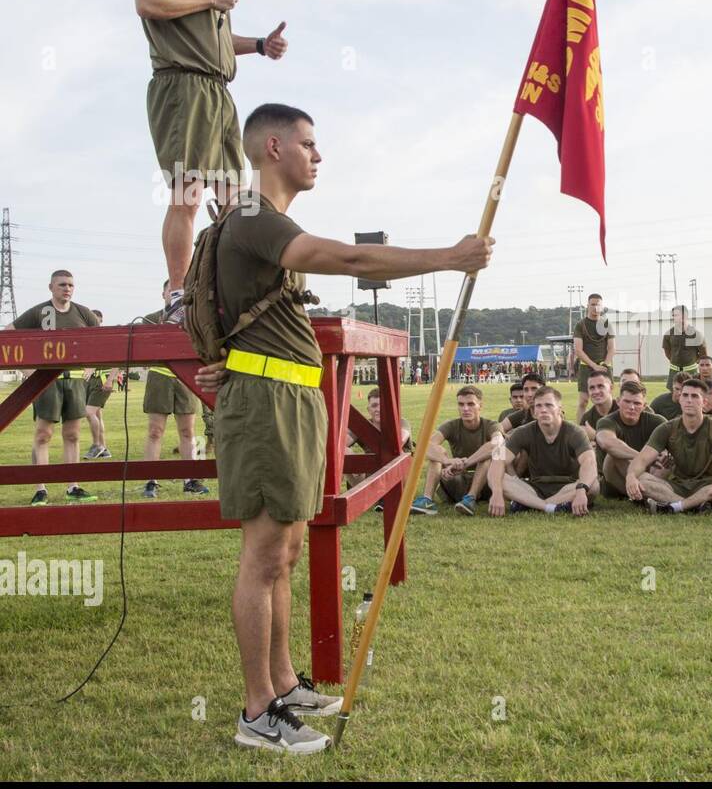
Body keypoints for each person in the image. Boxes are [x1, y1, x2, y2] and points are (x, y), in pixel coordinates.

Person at [202, 103, 492, 753]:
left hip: (291, 397)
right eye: (309, 143)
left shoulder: (267, 222)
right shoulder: (254, 217)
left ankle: (282, 686)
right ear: (273, 147)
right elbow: (353, 261)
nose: (319, 154)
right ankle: (257, 713)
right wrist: (449, 256)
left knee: (288, 551)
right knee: (264, 554)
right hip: (268, 399)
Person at [134, 0, 290, 323]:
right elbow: (146, 1)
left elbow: (213, 40)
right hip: (182, 86)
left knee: (235, 199)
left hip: (218, 90)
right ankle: (178, 296)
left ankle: (225, 286)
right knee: (187, 191)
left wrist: (259, 44)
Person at [10, 270, 100, 506]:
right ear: (51, 287)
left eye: (70, 285)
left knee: (73, 434)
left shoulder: (83, 312)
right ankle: (41, 489)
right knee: (43, 434)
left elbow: (102, 339)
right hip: (47, 382)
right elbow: (9, 333)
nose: (67, 289)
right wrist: (27, 370)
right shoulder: (39, 311)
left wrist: (92, 365)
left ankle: (73, 486)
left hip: (76, 381)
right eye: (62, 285)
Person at [626, 378, 712, 514]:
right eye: (685, 395)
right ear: (679, 400)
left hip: (709, 484)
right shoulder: (667, 428)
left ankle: (675, 506)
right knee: (642, 480)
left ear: (704, 402)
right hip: (678, 485)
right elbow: (642, 459)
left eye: (694, 396)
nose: (689, 400)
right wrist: (631, 476)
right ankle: (695, 506)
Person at [139, 286, 207, 499]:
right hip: (159, 376)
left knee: (187, 431)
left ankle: (190, 479)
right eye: (171, 290)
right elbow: (145, 349)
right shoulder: (151, 319)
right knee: (155, 430)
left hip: (185, 377)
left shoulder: (194, 317)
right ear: (164, 294)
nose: (174, 294)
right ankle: (151, 480)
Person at [488, 385, 596, 515]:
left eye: (549, 405)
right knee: (496, 476)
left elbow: (589, 462)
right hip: (534, 488)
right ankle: (550, 507)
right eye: (538, 406)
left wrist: (580, 489)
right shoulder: (523, 432)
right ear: (534, 412)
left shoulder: (574, 432)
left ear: (559, 409)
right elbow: (498, 460)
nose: (543, 410)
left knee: (593, 485)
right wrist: (497, 493)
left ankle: (530, 504)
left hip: (568, 486)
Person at [413, 385, 498, 516]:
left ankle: (470, 499)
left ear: (480, 405)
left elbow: (497, 445)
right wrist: (447, 461)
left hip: (485, 482)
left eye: (470, 404)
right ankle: (427, 500)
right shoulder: (451, 425)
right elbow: (424, 446)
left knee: (486, 457)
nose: (465, 409)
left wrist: (465, 463)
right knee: (436, 456)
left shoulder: (491, 425)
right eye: (461, 404)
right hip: (457, 480)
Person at [595, 381, 667, 499]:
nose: (632, 407)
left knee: (667, 456)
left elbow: (674, 444)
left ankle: (644, 494)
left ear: (644, 406)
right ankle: (652, 494)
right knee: (613, 454)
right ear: (618, 401)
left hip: (649, 475)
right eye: (627, 402)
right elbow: (607, 443)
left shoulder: (658, 422)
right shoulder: (607, 421)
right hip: (616, 481)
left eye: (637, 403)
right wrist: (643, 459)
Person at [83, 310, 121, 460]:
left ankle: (96, 445)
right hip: (92, 379)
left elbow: (117, 361)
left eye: (97, 321)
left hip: (103, 380)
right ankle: (104, 449)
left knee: (88, 412)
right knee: (97, 414)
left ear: (101, 320)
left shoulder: (107, 338)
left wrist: (110, 380)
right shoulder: (90, 340)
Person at [573, 293, 615, 417]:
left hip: (604, 365)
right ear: (587, 305)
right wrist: (593, 365)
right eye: (592, 304)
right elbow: (579, 350)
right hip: (586, 366)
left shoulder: (607, 324)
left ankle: (609, 427)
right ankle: (580, 431)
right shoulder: (580, 325)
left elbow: (612, 348)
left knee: (607, 401)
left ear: (602, 306)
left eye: (598, 304)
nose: (595, 307)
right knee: (583, 401)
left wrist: (604, 364)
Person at [661, 304, 707, 388]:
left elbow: (703, 354)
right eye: (673, 315)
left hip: (691, 371)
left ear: (685, 316)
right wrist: (675, 360)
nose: (674, 317)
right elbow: (667, 351)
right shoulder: (668, 334)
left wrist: (692, 362)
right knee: (674, 394)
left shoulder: (696, 334)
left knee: (692, 391)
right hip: (674, 370)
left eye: (676, 315)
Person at [579, 369, 617, 438]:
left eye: (601, 386)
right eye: (592, 388)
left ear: (611, 388)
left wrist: (595, 436)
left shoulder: (623, 411)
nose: (596, 391)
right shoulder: (587, 419)